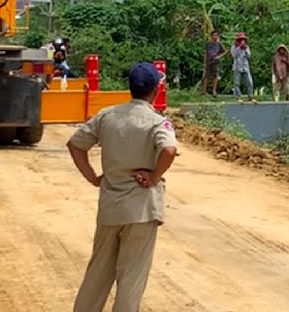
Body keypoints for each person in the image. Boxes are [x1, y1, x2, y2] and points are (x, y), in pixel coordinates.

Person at [68, 62, 179, 312]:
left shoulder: (107, 116)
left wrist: (93, 177)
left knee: (97, 273)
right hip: (141, 210)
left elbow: (75, 145)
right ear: (155, 90)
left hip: (110, 206)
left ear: (130, 88)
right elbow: (169, 150)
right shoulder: (156, 122)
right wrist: (153, 176)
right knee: (131, 278)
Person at [231, 32, 253, 100]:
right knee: (237, 83)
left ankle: (250, 96)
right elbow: (234, 55)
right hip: (237, 67)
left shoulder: (246, 47)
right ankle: (237, 96)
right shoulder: (234, 47)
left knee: (249, 82)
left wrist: (245, 49)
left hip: (245, 67)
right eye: (240, 39)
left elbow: (248, 56)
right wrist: (239, 47)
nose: (241, 40)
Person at [203, 30, 226, 96]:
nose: (215, 37)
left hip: (215, 62)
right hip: (208, 61)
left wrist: (219, 56)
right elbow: (205, 53)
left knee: (215, 76)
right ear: (211, 36)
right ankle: (204, 91)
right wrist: (204, 63)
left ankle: (214, 91)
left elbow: (225, 51)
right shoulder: (208, 43)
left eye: (216, 35)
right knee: (206, 76)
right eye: (214, 35)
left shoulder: (219, 44)